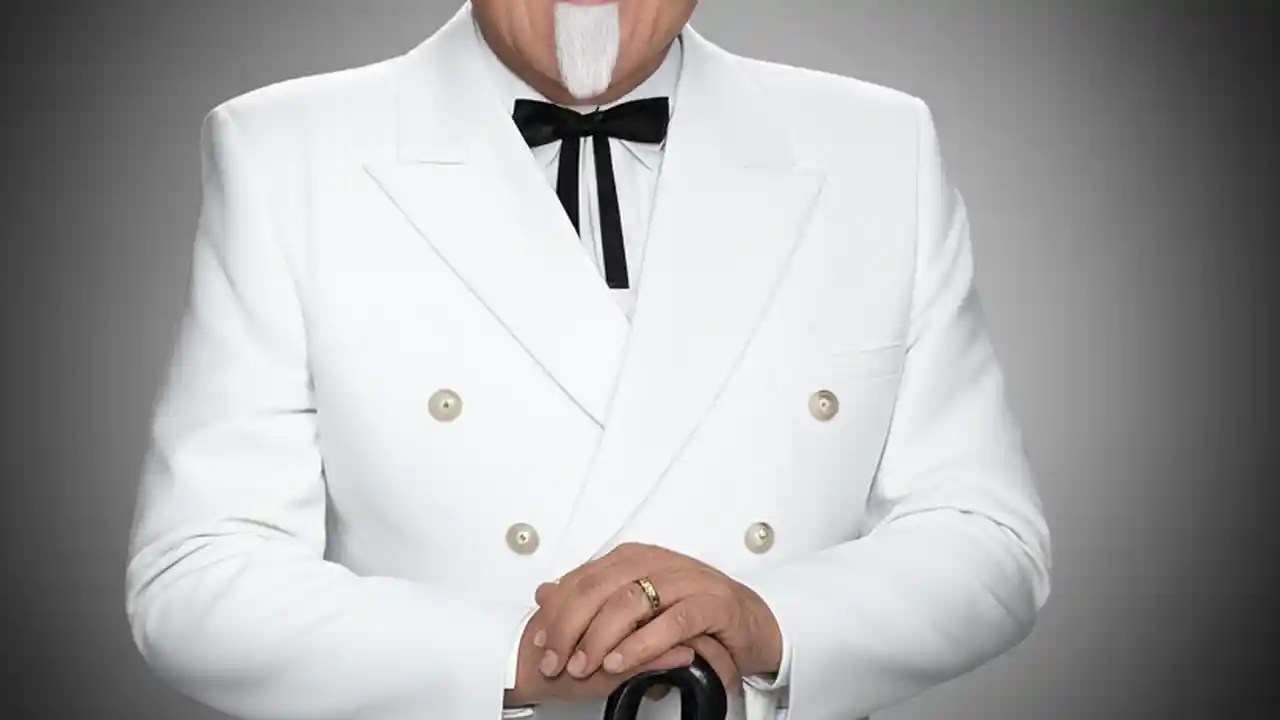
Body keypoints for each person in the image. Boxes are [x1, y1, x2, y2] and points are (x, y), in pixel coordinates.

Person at [124, 1, 1052, 718]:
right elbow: (196, 575)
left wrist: (766, 619)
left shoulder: (879, 147)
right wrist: (519, 653)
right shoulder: (286, 153)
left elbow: (988, 538)